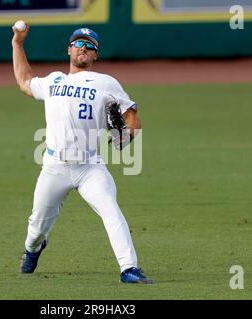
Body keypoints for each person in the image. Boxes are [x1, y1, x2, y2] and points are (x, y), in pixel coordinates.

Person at [11, 22, 152, 284]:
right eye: (79, 43)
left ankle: (129, 268)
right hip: (54, 166)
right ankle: (33, 249)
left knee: (111, 210)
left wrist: (127, 135)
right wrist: (18, 43)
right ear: (69, 49)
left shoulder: (106, 83)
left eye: (90, 46)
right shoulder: (54, 81)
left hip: (89, 167)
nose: (84, 48)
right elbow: (24, 82)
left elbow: (132, 117)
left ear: (95, 55)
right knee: (37, 227)